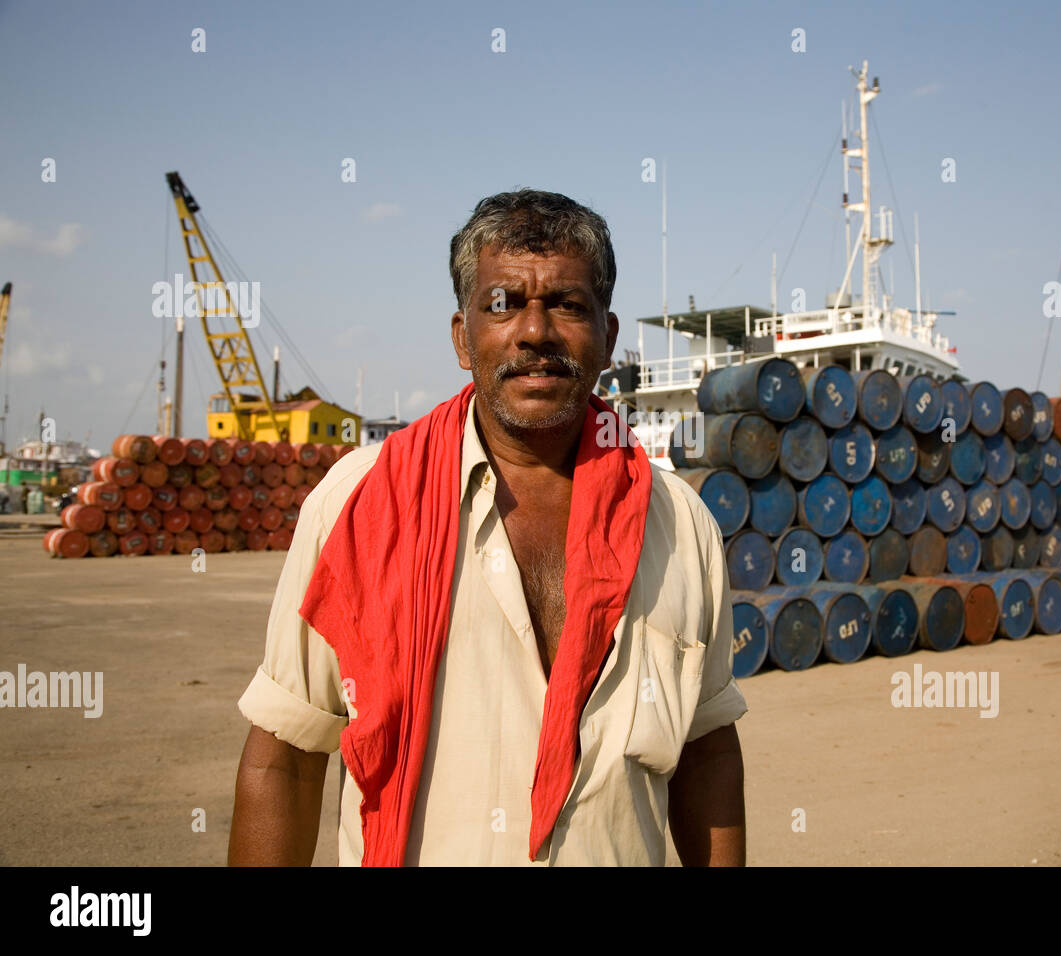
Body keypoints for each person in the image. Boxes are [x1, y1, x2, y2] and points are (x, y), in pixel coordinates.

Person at [229, 189, 747, 866]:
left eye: (567, 304)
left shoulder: (679, 523)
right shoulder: (358, 503)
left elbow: (705, 753)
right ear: (461, 336)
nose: (536, 332)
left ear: (608, 336)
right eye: (503, 304)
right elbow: (286, 758)